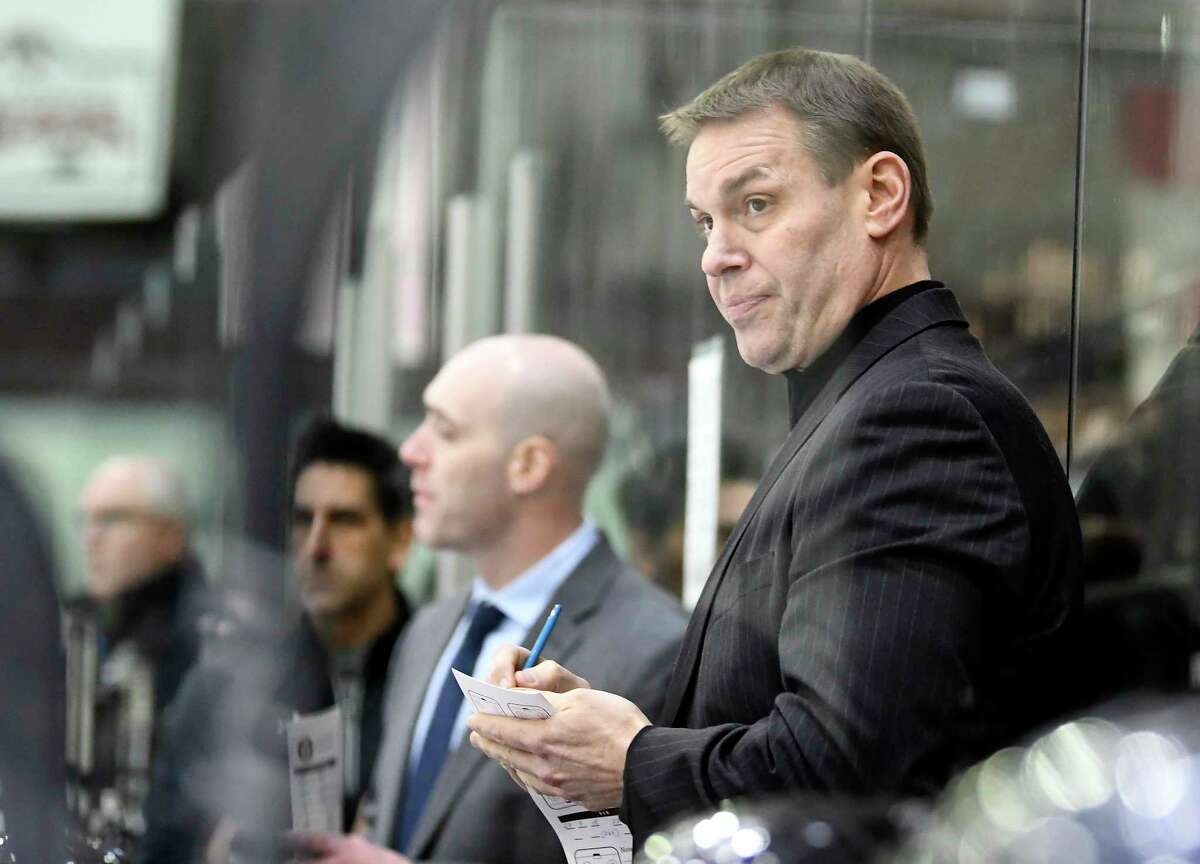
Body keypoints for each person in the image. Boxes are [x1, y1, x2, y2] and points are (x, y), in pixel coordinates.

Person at [467, 47, 1083, 845]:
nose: (715, 255)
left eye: (755, 205)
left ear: (881, 195)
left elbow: (849, 772)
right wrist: (607, 739)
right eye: (704, 222)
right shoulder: (861, 404)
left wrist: (632, 759)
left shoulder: (916, 415)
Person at [292, 334, 687, 864]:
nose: (411, 451)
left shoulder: (656, 651)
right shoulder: (427, 631)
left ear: (528, 465)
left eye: (445, 430)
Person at [139, 417, 414, 863]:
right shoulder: (230, 685)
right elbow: (162, 847)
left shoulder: (434, 680)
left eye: (344, 520)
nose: (316, 547)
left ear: (399, 538)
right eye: (304, 520)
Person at [80, 455, 206, 719]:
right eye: (86, 521)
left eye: (112, 518)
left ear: (169, 535)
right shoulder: (76, 628)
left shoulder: (206, 642)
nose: (91, 538)